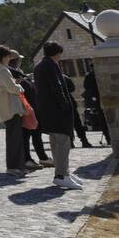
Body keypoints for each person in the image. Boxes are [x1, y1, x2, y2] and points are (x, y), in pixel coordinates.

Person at [33, 42, 82, 190]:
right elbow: (57, 87)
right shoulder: (51, 65)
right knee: (62, 143)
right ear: (57, 53)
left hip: (46, 110)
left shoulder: (39, 66)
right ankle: (61, 175)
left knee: (55, 141)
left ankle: (63, 172)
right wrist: (65, 105)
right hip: (57, 110)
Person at [0, 44, 27, 175]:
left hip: (2, 105)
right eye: (9, 56)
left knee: (13, 136)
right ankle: (13, 166)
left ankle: (17, 165)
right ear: (4, 57)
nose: (10, 58)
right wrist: (19, 86)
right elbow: (12, 88)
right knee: (14, 138)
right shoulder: (2, 70)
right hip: (10, 106)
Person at [7, 50, 48, 168]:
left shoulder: (19, 73)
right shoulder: (14, 74)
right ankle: (28, 159)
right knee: (27, 135)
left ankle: (41, 157)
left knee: (35, 133)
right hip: (25, 108)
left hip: (30, 107)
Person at [62, 73, 95, 148]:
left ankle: (71, 141)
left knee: (68, 123)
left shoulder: (56, 77)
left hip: (62, 104)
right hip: (70, 102)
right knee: (77, 123)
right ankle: (84, 140)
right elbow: (72, 88)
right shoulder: (65, 77)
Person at [82, 67, 107, 145]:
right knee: (103, 119)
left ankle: (108, 137)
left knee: (102, 119)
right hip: (100, 97)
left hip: (96, 99)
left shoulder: (89, 75)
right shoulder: (101, 73)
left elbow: (86, 86)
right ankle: (108, 137)